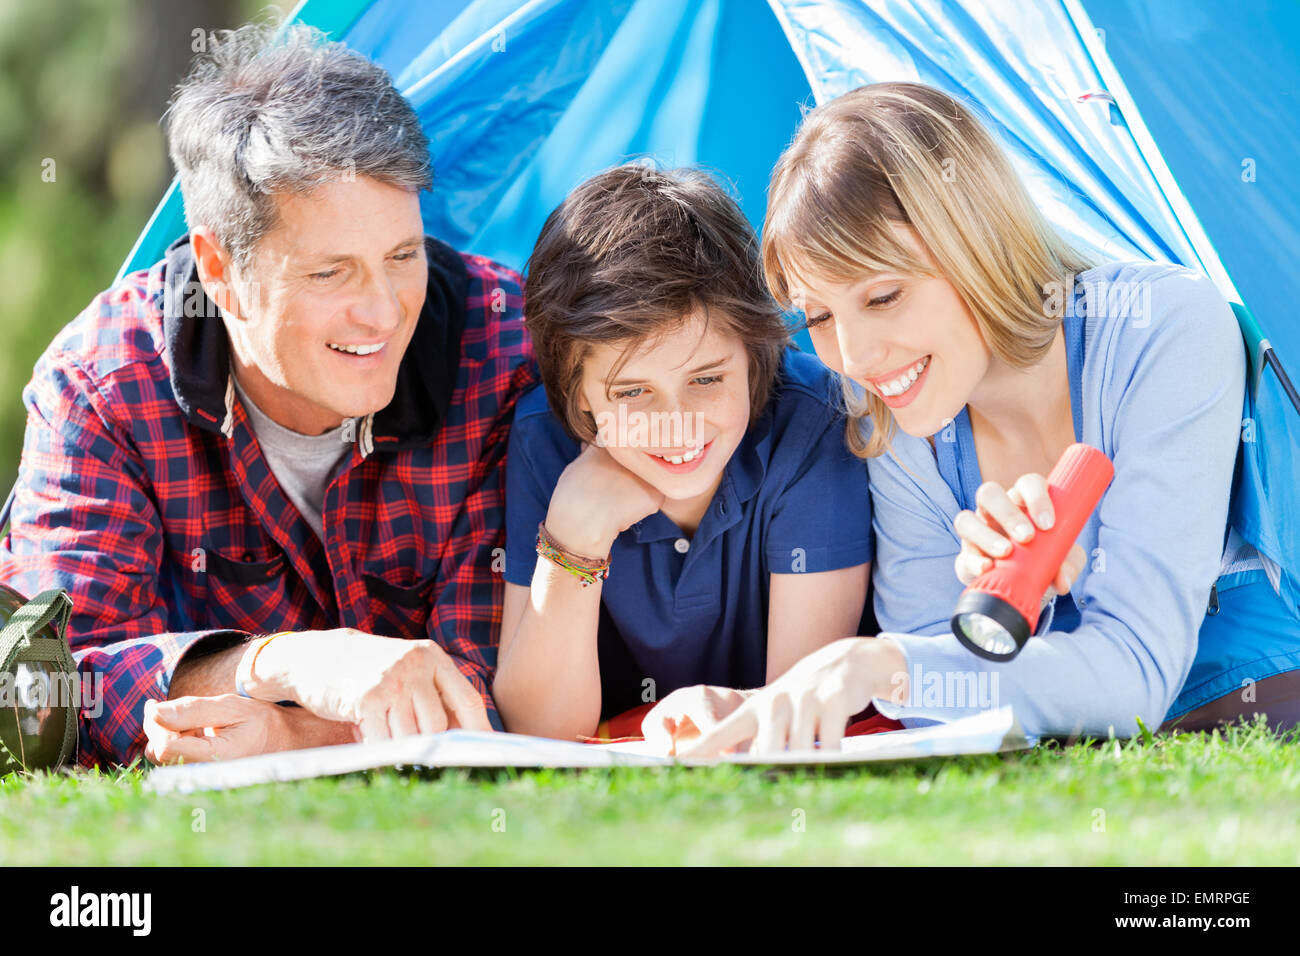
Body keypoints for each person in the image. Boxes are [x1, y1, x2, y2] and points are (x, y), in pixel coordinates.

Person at [660, 81, 1300, 756]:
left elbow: (1135, 672)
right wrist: (786, 700)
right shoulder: (894, 420)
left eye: (883, 296)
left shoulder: (1166, 329)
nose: (856, 356)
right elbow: (940, 705)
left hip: (1258, 694)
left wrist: (878, 666)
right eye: (818, 316)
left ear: (974, 242)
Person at [0, 21, 538, 767]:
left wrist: (286, 734)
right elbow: (53, 687)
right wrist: (284, 664)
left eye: (402, 255)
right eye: (331, 273)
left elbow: (496, 692)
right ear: (217, 270)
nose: (383, 312)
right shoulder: (101, 386)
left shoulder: (508, 357)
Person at [493, 165, 873, 743]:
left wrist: (727, 707)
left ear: (752, 351)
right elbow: (542, 731)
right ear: (577, 391)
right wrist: (574, 537)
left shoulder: (813, 420)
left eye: (706, 379)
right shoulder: (542, 442)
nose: (677, 425)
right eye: (632, 391)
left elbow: (802, 706)